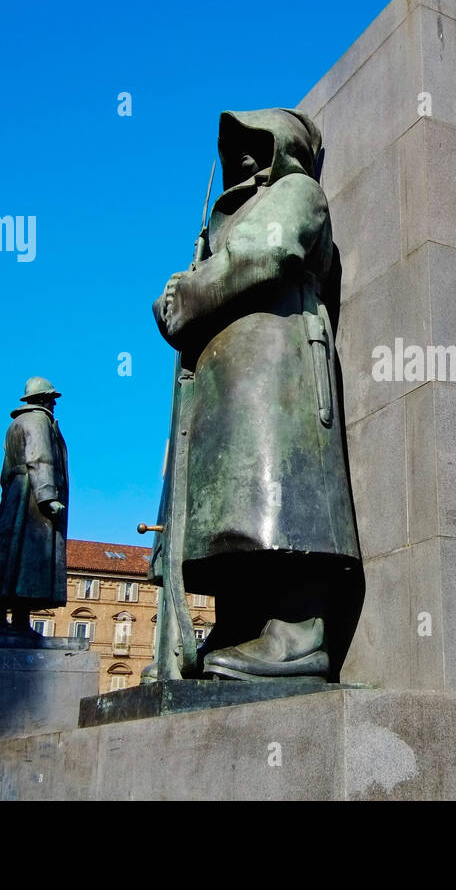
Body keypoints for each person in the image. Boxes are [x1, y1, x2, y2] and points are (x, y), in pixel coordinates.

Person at [152, 108, 363, 681]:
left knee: (281, 496)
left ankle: (298, 636)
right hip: (229, 375)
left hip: (278, 363)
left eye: (256, 142)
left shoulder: (297, 191)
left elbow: (271, 252)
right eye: (234, 147)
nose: (241, 156)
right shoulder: (232, 217)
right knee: (231, 509)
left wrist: (189, 293)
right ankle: (239, 627)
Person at [0, 377, 69, 631]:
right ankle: (21, 620)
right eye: (52, 399)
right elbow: (41, 458)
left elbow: (4, 471)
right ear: (45, 399)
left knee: (6, 556)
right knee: (30, 555)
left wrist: (10, 492)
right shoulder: (39, 421)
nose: (54, 404)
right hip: (33, 496)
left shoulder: (15, 424)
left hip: (15, 493)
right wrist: (48, 497)